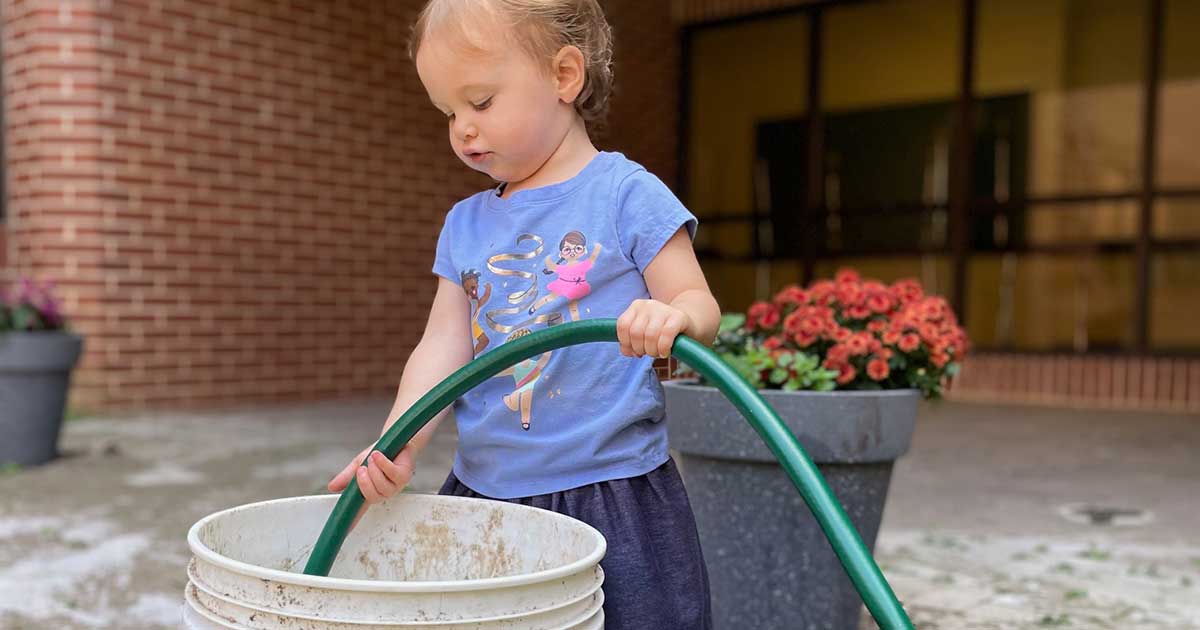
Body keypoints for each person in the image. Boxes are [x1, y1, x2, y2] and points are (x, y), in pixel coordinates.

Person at [327, 1, 720, 627]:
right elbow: (442, 346)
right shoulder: (465, 224)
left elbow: (697, 303)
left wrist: (671, 318)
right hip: (486, 491)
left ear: (564, 76)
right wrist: (398, 441)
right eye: (449, 112)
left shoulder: (626, 194)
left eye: (481, 102)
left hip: (611, 489)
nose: (463, 129)